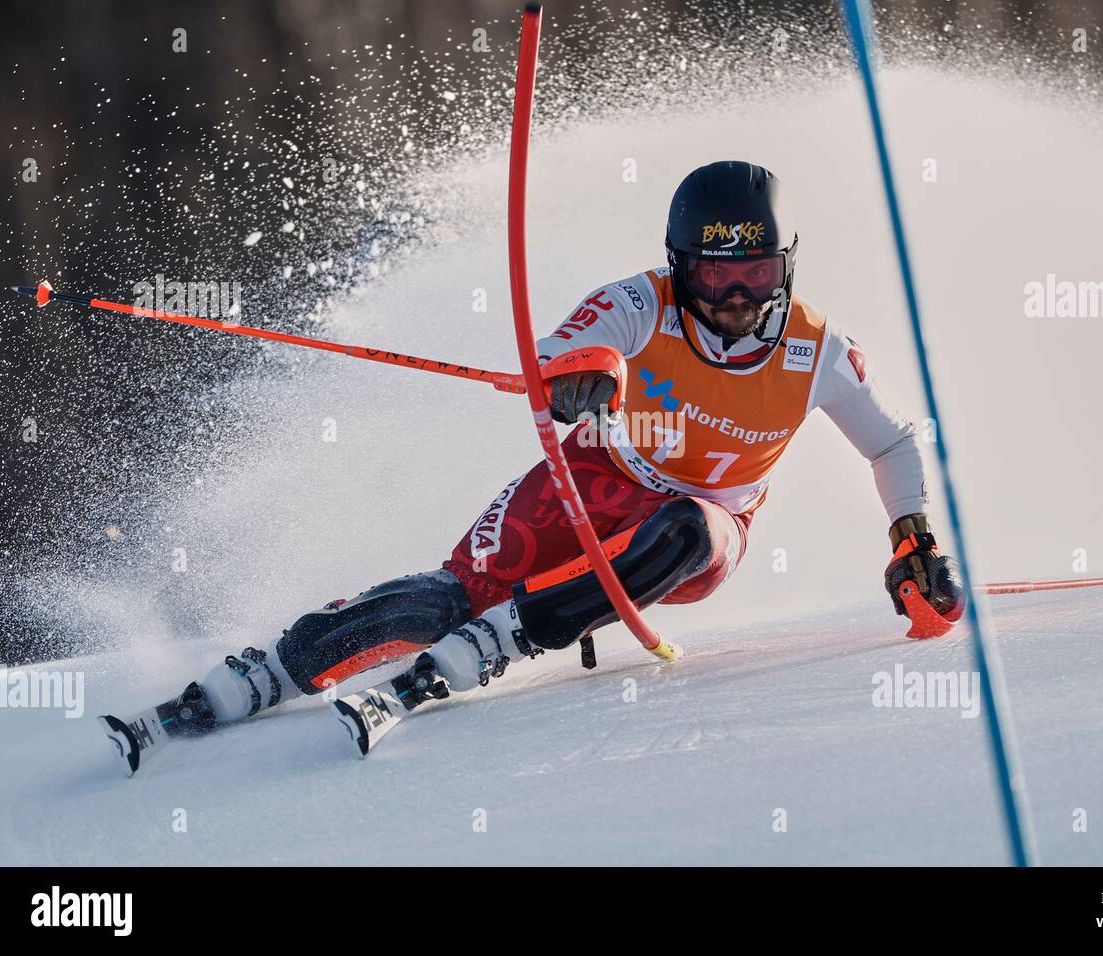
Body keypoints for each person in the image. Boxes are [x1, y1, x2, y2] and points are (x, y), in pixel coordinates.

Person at [156, 160, 965, 735]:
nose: (736, 300)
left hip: (701, 530)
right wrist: (585, 372)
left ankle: (508, 640)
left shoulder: (817, 351)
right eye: (714, 279)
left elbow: (892, 444)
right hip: (596, 475)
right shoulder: (641, 302)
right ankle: (270, 671)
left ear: (787, 266)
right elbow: (562, 347)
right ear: (679, 269)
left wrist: (913, 539)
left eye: (755, 273)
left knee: (688, 525)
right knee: (446, 596)